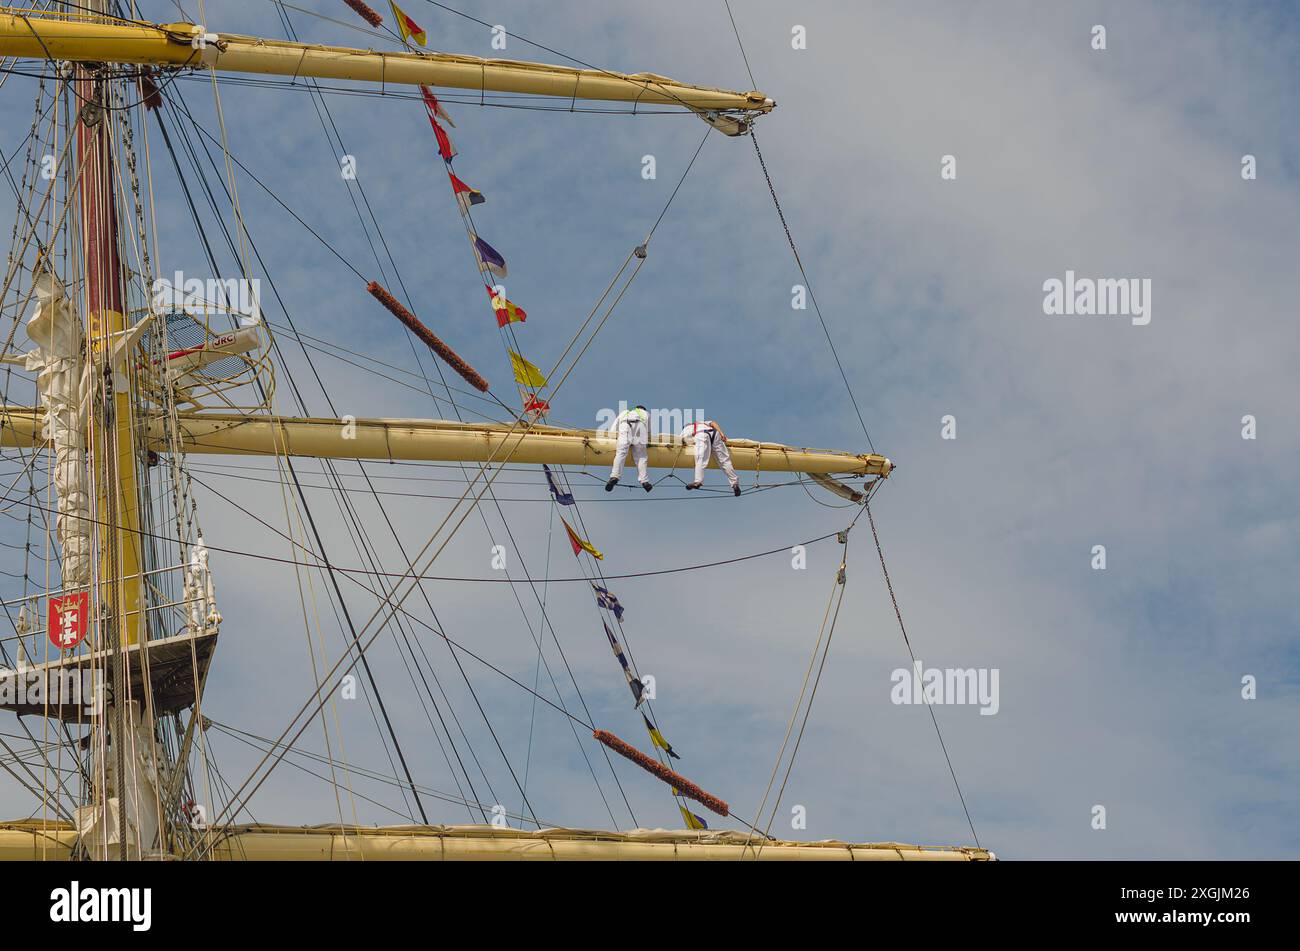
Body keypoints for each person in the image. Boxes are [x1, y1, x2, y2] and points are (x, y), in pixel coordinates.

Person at [680, 419, 740, 495]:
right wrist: (721, 434)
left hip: (702, 435)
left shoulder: (686, 429)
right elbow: (713, 423)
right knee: (724, 460)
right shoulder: (702, 423)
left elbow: (681, 440)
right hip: (714, 433)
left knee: (700, 458)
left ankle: (698, 481)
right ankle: (735, 483)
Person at [606, 404, 652, 492]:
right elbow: (649, 431)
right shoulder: (646, 413)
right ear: (643, 409)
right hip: (640, 428)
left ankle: (614, 477)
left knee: (621, 453)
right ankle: (645, 481)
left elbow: (613, 428)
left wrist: (612, 439)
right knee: (641, 457)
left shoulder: (625, 412)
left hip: (625, 427)